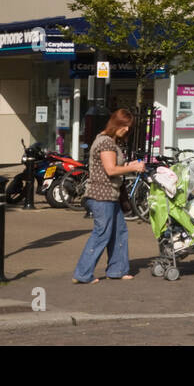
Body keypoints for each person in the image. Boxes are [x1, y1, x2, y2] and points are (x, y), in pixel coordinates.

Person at [73, 108, 144, 284]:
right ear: (116, 123)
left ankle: (117, 270)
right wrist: (133, 168)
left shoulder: (108, 141)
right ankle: (82, 274)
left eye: (129, 126)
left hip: (109, 196)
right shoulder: (106, 143)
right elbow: (111, 169)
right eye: (124, 126)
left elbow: (113, 166)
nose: (127, 130)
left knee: (119, 232)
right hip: (101, 196)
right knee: (102, 234)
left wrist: (129, 164)